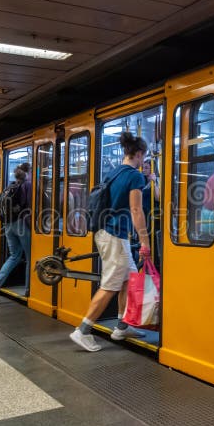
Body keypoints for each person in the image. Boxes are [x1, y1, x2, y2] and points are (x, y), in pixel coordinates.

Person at [70, 132, 151, 352]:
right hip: (115, 234)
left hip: (107, 231)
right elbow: (136, 210)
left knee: (129, 279)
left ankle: (123, 326)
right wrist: (145, 241)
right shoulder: (134, 175)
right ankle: (82, 330)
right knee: (110, 284)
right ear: (140, 154)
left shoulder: (115, 172)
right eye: (145, 156)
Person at [0, 162, 32, 297]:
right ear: (28, 172)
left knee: (14, 255)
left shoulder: (9, 187)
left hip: (7, 225)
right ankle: (28, 289)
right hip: (21, 224)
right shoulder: (27, 185)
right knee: (31, 257)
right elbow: (28, 204)